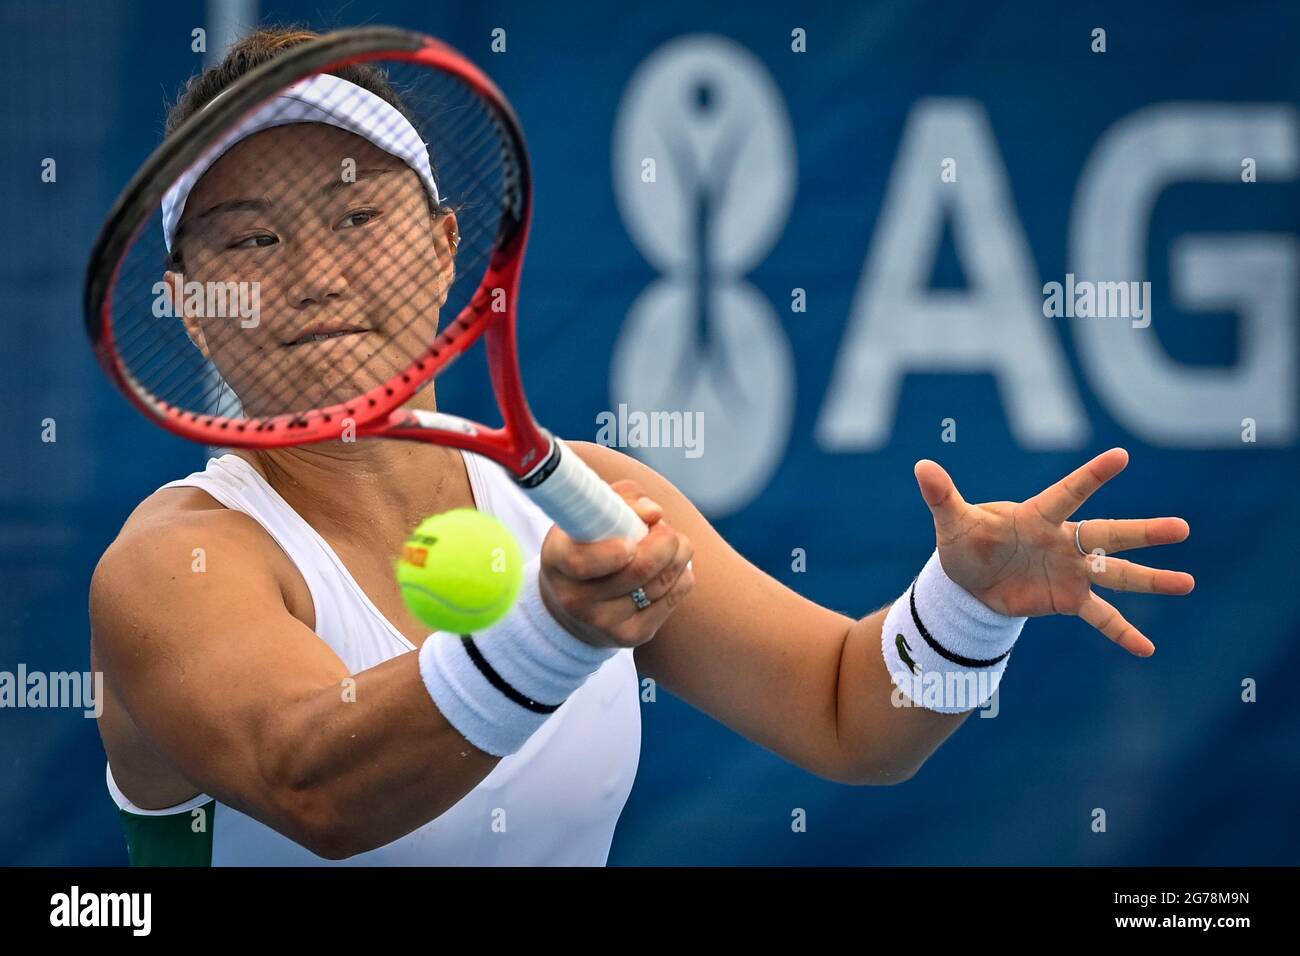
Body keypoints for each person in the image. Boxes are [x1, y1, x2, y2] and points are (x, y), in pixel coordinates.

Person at [90, 27, 1195, 866]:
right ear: (192, 304)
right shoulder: (175, 565)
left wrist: (958, 610)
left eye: (356, 219)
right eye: (255, 240)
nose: (319, 276)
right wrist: (550, 636)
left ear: (439, 251)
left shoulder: (596, 496)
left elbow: (847, 714)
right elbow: (315, 785)